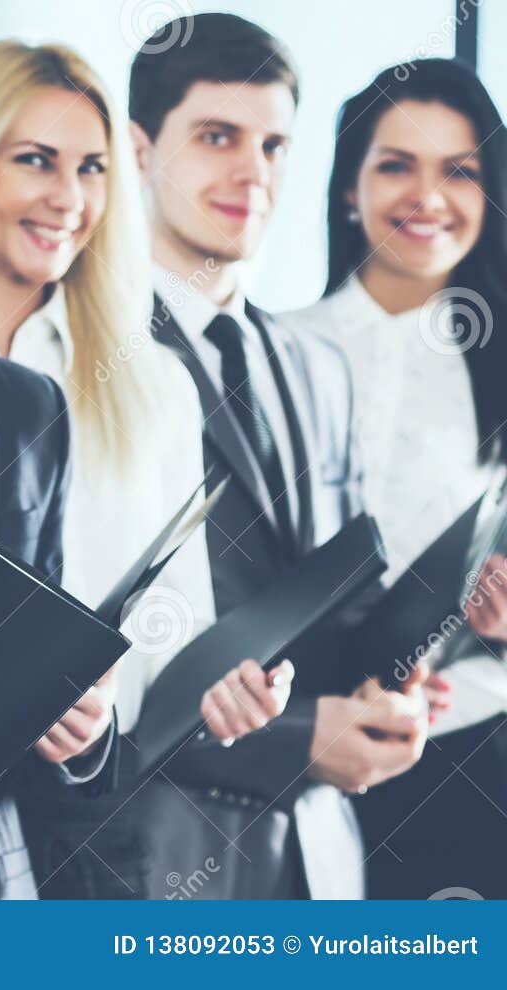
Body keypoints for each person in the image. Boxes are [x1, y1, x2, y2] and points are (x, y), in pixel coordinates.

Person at [0, 39, 292, 899]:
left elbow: (171, 647)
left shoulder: (152, 383)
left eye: (92, 167)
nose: (69, 197)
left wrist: (225, 688)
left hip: (88, 828)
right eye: (35, 161)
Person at [127, 12, 431, 898]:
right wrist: (302, 736)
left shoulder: (314, 367)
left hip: (319, 856)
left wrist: (395, 691)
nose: (252, 173)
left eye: (273, 145)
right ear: (141, 150)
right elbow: (108, 662)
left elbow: (337, 598)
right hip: (158, 853)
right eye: (218, 137)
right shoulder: (84, 358)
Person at [279, 58, 507, 899]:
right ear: (349, 186)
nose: (428, 196)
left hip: (469, 761)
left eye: (461, 171)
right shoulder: (272, 349)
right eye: (396, 165)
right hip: (289, 755)